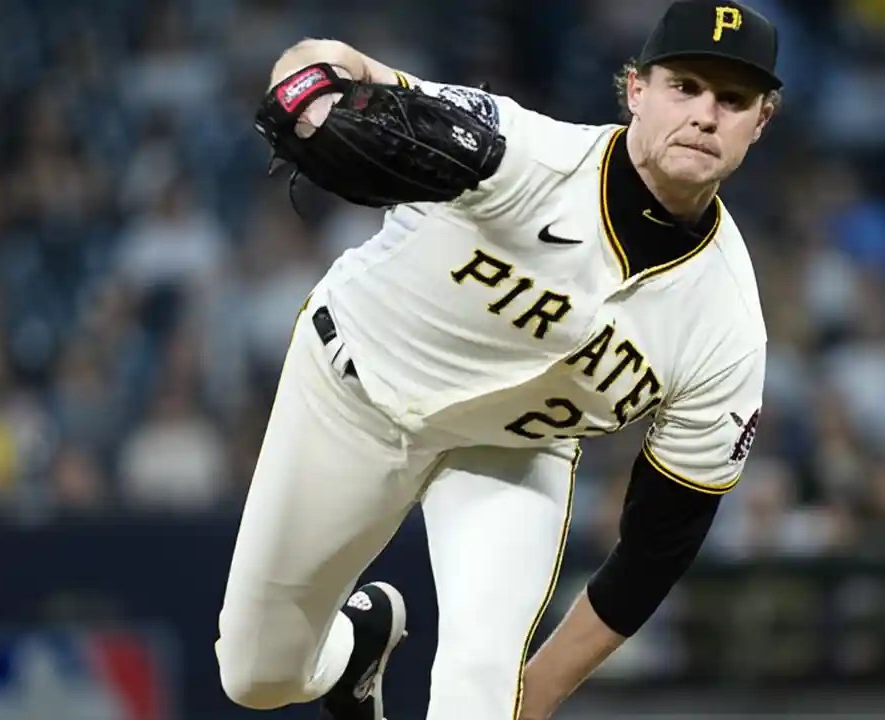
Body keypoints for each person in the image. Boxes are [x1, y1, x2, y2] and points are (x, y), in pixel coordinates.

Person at [214, 1, 782, 718]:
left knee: (477, 689)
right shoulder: (518, 151)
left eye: (733, 100)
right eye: (685, 87)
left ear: (761, 121)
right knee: (258, 678)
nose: (705, 115)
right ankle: (356, 649)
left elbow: (654, 551)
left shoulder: (726, 328)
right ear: (635, 89)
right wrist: (305, 90)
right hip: (351, 393)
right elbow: (331, 59)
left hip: (510, 454)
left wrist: (534, 694)